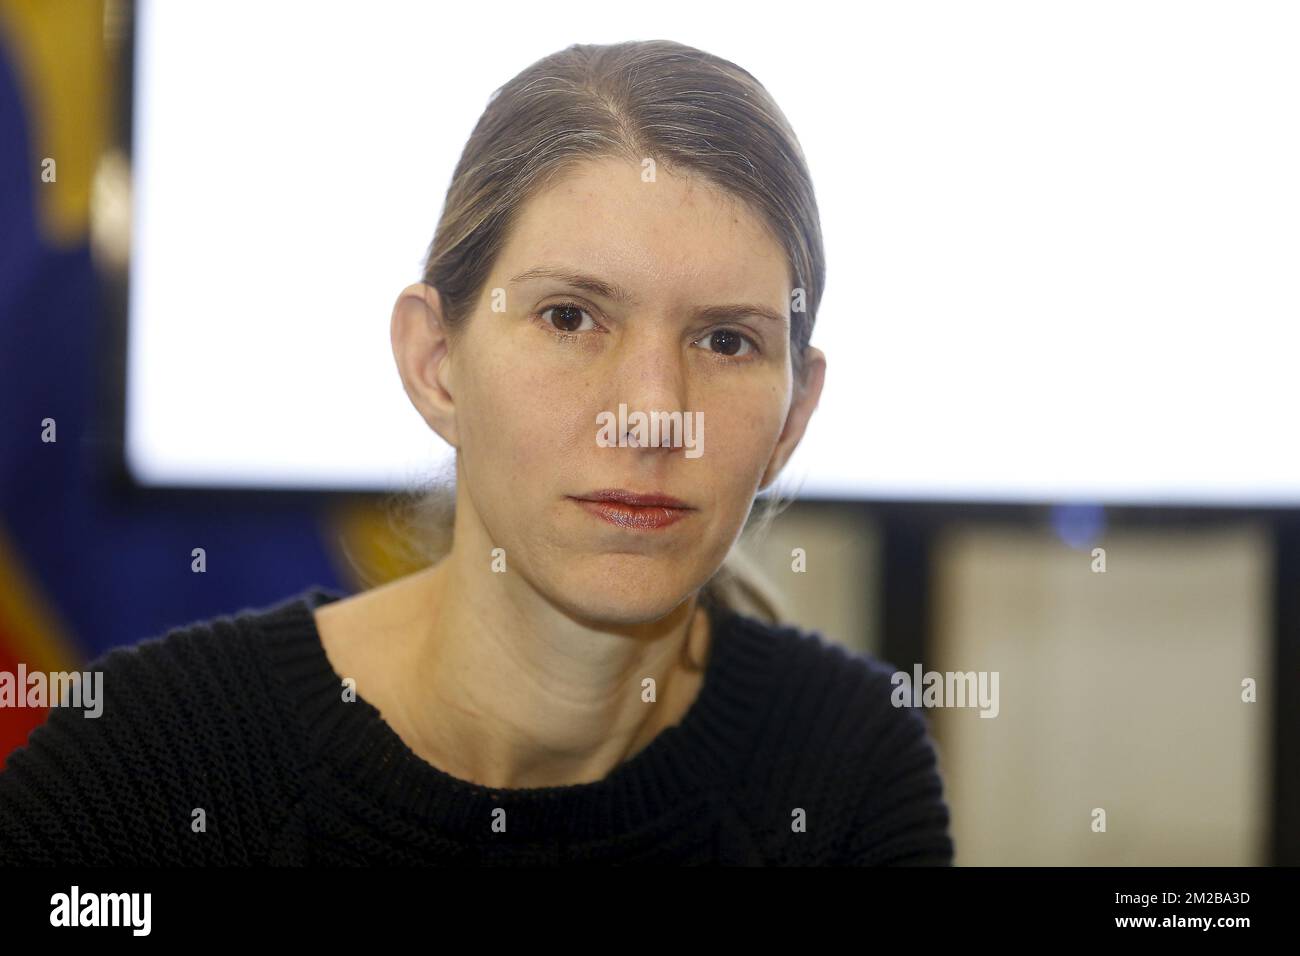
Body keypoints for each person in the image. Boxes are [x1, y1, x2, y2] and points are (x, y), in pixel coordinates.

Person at [0, 39, 953, 865]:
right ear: (437, 362)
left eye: (725, 341)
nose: (655, 414)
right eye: (571, 317)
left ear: (793, 418)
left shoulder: (846, 765)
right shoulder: (156, 760)